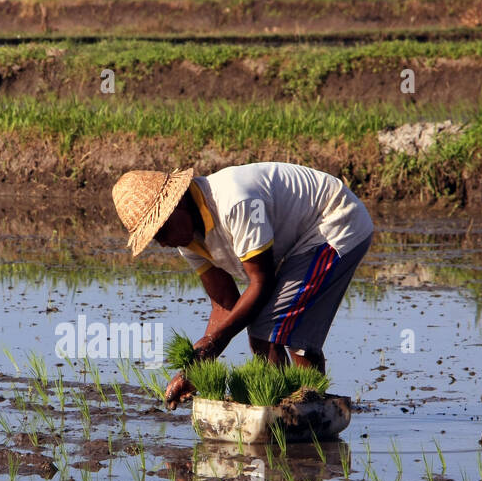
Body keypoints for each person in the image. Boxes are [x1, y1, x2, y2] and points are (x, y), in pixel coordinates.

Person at [112, 162, 374, 409]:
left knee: (269, 331)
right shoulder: (189, 242)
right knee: (270, 331)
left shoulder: (235, 202)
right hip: (302, 241)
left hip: (334, 222)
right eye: (155, 238)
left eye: (161, 231)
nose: (163, 243)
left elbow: (262, 281)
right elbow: (224, 304)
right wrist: (195, 370)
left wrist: (213, 342)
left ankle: (303, 410)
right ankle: (291, 408)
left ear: (177, 205)